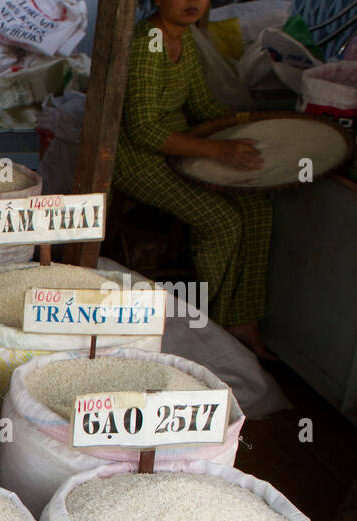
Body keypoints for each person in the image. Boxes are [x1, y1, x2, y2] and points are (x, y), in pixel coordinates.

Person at [114, 0, 276, 359]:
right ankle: (210, 326)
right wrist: (218, 151)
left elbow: (201, 104)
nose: (193, 3)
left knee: (257, 208)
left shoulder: (184, 40)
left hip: (183, 151)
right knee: (222, 222)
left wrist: (249, 126)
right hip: (139, 159)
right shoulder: (148, 42)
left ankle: (241, 317)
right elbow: (142, 129)